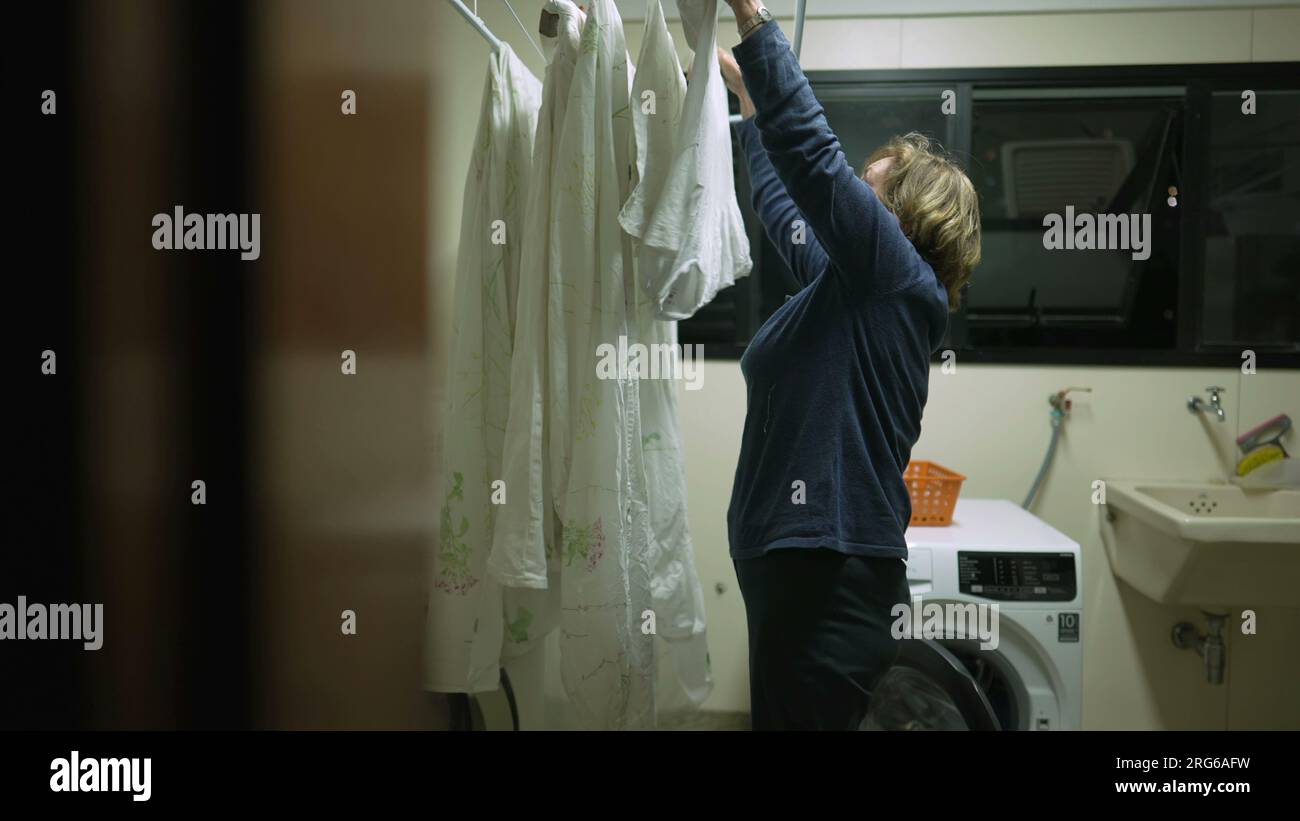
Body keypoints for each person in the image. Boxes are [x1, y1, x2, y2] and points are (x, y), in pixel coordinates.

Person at [717, 0, 982, 730]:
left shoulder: (894, 278)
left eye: (872, 185)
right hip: (804, 562)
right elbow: (788, 204)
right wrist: (749, 107)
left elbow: (813, 162)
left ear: (908, 217)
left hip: (829, 570)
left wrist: (754, 20)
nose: (854, 195)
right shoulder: (854, 293)